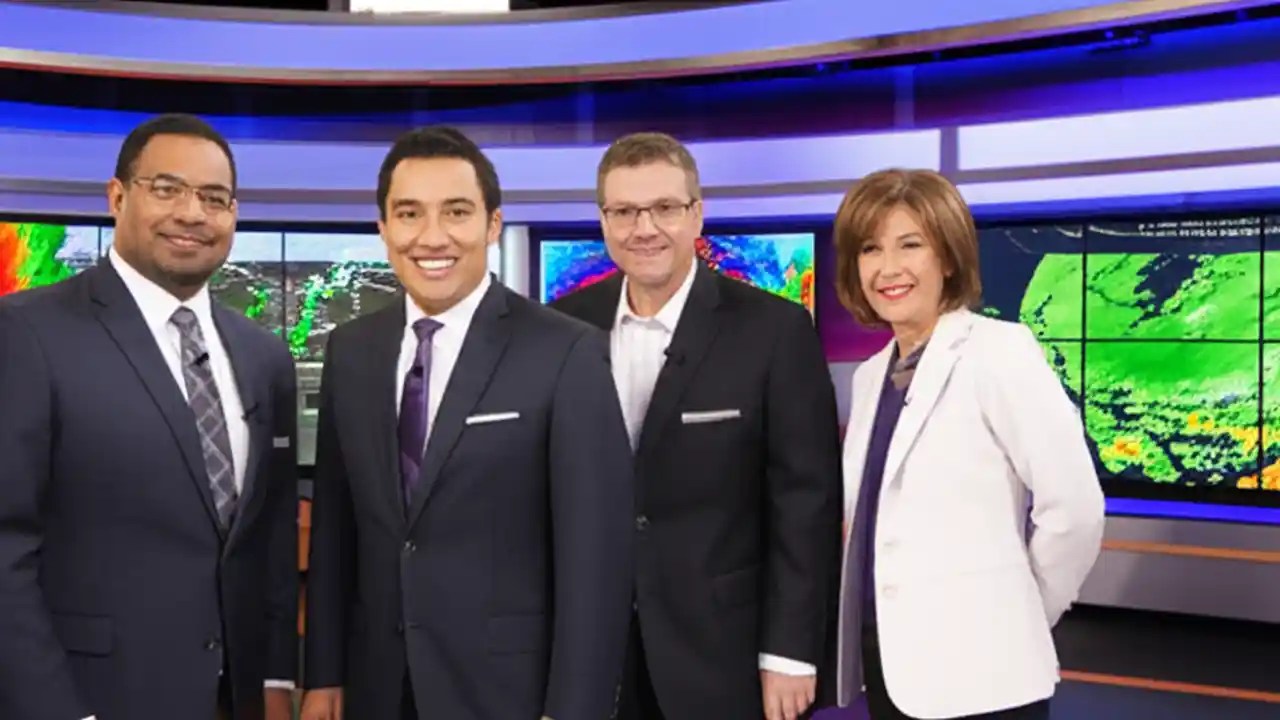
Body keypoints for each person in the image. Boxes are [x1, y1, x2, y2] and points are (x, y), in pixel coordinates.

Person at [300, 126, 634, 720]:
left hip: (507, 692)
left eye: (456, 212)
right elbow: (335, 528)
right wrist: (324, 674)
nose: (433, 236)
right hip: (377, 686)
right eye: (409, 214)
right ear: (383, 229)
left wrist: (575, 708)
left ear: (492, 224)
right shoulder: (351, 350)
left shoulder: (563, 351)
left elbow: (596, 558)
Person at [0, 114, 299, 720]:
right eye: (167, 189)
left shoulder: (264, 356)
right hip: (92, 698)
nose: (192, 213)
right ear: (117, 197)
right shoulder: (28, 333)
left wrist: (274, 674)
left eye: (213, 198)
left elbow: (266, 535)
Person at [550, 132, 843, 720]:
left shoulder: (775, 331)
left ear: (696, 215)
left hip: (724, 653)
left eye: (664, 207)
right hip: (596, 657)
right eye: (624, 211)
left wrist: (790, 651)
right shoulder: (562, 327)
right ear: (603, 221)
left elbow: (805, 503)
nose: (644, 228)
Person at [831, 168, 1106, 720]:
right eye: (870, 249)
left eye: (910, 245)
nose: (888, 268)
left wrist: (1022, 612)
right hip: (891, 669)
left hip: (985, 676)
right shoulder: (869, 377)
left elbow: (1074, 509)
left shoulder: (999, 352)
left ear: (948, 257)